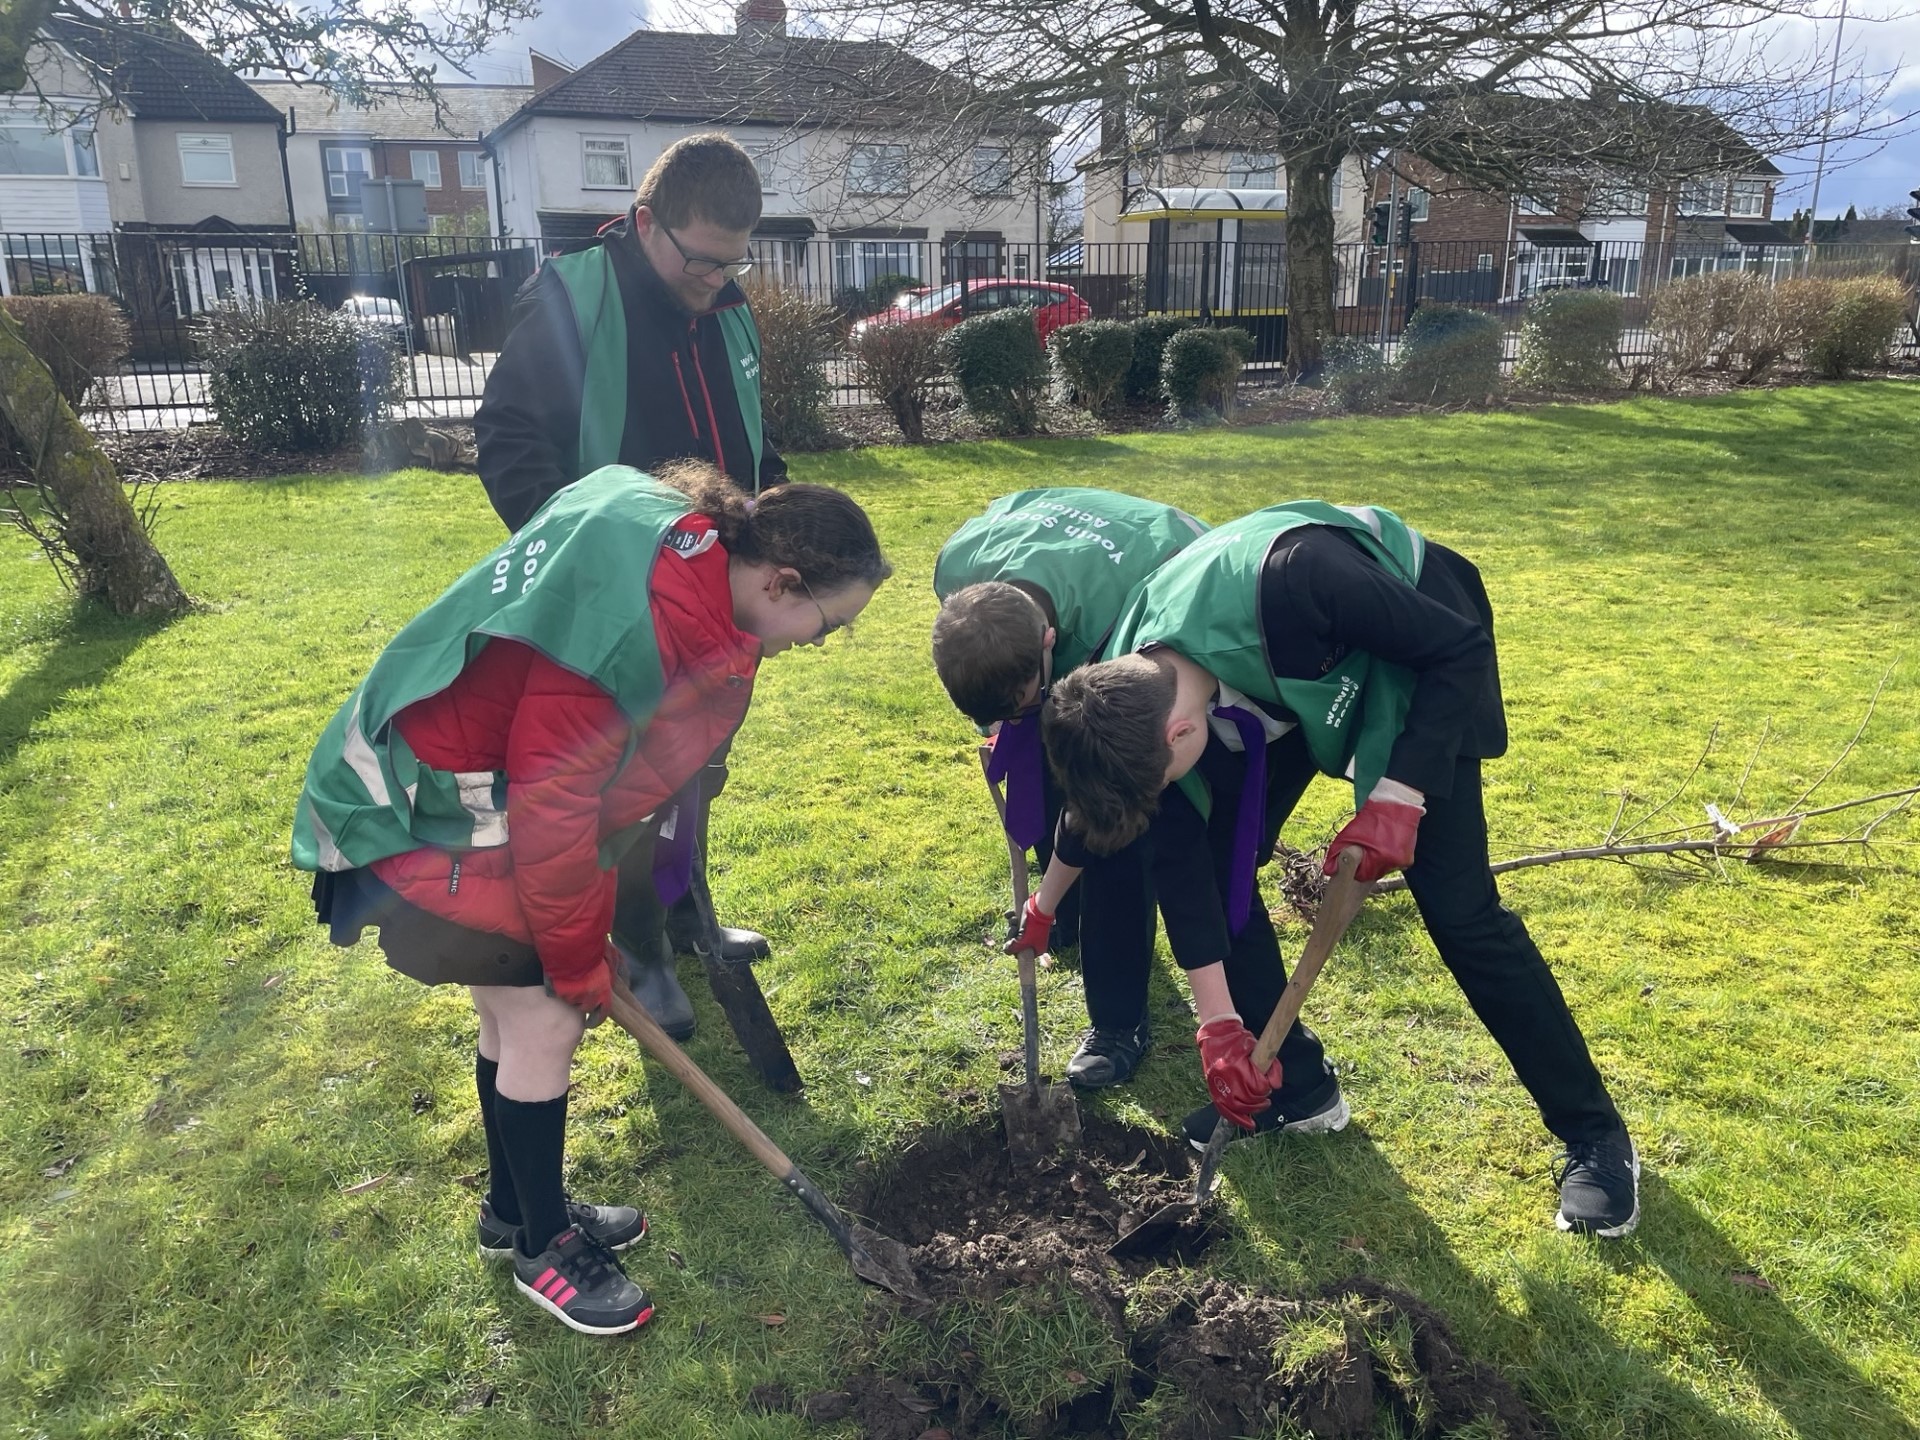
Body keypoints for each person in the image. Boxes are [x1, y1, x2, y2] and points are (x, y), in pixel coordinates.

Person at [292, 462, 891, 1333]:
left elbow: (585, 788)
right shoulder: (631, 633)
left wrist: (578, 935)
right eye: (826, 626)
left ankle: (514, 1210)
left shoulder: (691, 555)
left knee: (508, 1011)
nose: (817, 643)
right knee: (545, 1018)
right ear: (781, 581)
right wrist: (574, 955)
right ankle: (545, 1251)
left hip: (468, 789)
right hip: (417, 811)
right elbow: (557, 803)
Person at [1037, 500, 1639, 1237]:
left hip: (1421, 644)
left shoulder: (1305, 579)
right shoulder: (1125, 690)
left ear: (1181, 732)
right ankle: (1298, 1086)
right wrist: (1219, 1027)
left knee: (1460, 911)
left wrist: (1401, 792)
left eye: (1162, 778)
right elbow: (1184, 866)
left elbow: (1458, 648)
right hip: (1277, 674)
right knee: (1227, 870)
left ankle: (1595, 1137)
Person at [474, 131, 783, 1033]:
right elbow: (508, 440)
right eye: (702, 260)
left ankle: (688, 918)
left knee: (697, 766)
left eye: (734, 262)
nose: (717, 281)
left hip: (717, 597)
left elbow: (750, 436)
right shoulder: (572, 301)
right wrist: (586, 562)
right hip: (620, 603)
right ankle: (640, 950)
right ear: (646, 222)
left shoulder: (726, 306)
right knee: (630, 786)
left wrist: (772, 507)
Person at [931, 488, 1207, 1087]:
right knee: (1040, 757)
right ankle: (1065, 912)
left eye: (1021, 699)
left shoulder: (1130, 619)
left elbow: (1102, 795)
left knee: (1113, 823)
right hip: (1070, 584)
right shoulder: (957, 570)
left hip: (1156, 567)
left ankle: (1118, 1022)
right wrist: (1005, 726)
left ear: (1048, 642)